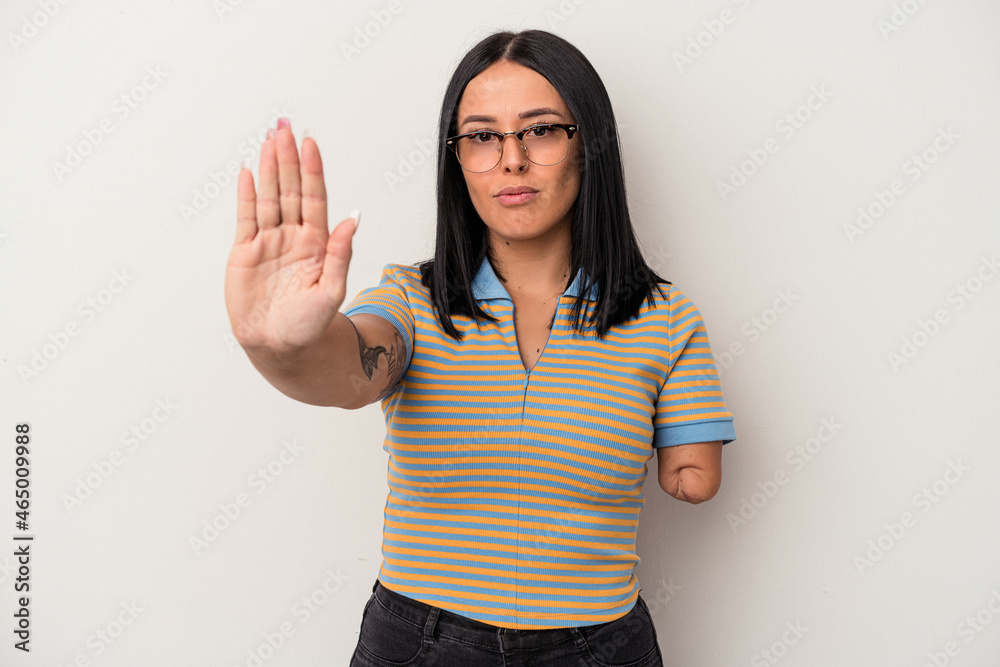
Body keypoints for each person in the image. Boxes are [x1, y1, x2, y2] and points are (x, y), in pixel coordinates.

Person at [225, 28, 736, 667]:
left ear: (592, 147)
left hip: (598, 647)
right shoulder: (413, 299)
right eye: (482, 136)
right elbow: (348, 370)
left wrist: (686, 461)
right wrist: (281, 346)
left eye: (542, 129)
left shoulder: (665, 319)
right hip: (422, 643)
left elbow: (695, 478)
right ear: (458, 157)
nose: (511, 160)